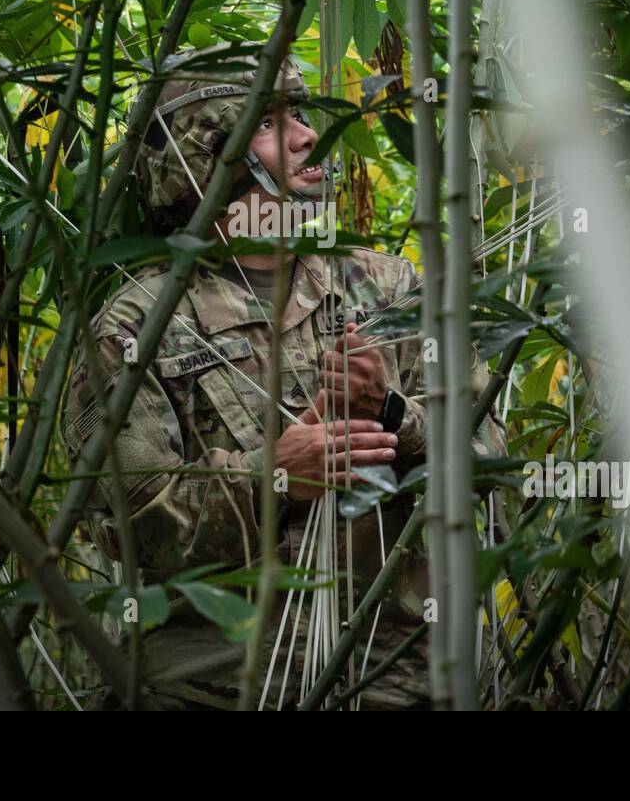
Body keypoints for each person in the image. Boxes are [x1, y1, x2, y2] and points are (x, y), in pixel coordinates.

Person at [62, 43, 504, 709]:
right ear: (206, 156)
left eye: (300, 112)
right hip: (212, 688)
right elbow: (125, 524)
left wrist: (393, 417)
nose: (307, 136)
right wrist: (273, 478)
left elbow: (493, 458)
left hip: (396, 678)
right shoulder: (137, 325)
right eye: (269, 122)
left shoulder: (390, 290)